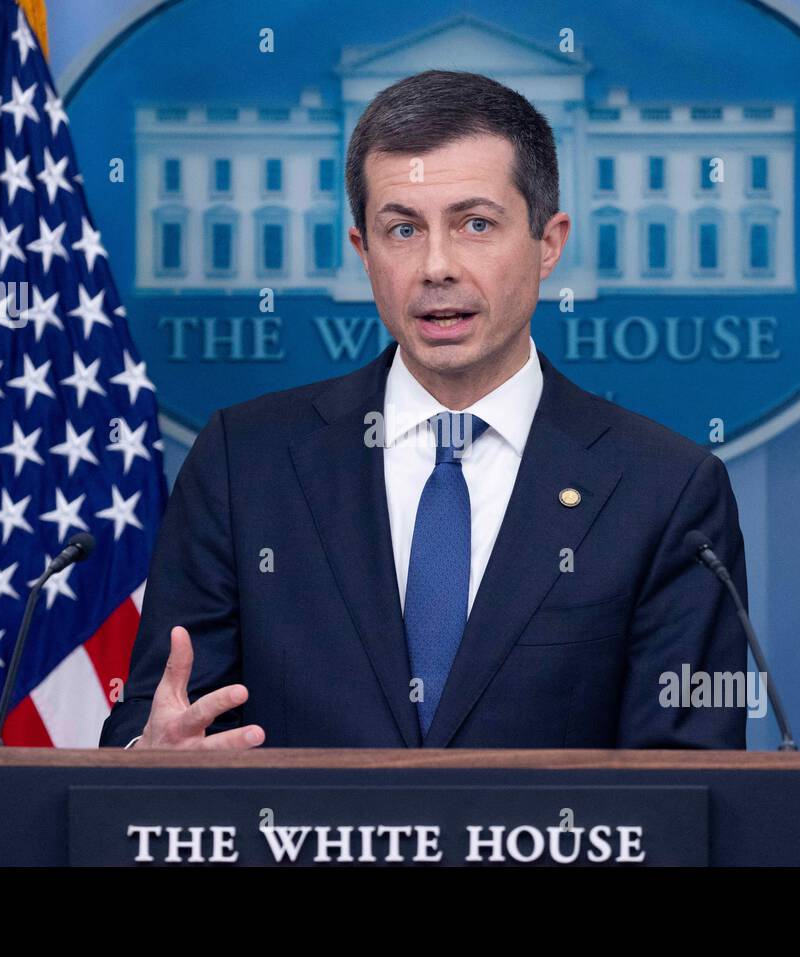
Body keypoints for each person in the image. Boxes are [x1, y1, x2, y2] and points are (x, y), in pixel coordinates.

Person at [100, 70, 749, 751]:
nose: (437, 265)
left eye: (475, 224)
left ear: (549, 242)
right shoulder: (244, 464)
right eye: (403, 229)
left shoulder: (665, 490)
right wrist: (149, 761)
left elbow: (685, 791)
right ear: (364, 252)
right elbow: (157, 723)